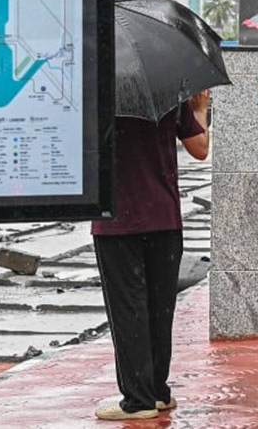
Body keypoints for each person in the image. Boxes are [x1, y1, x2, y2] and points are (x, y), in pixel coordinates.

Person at [91, 89, 212, 421]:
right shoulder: (168, 93)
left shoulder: (95, 95)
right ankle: (158, 392)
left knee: (129, 309)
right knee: (160, 309)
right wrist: (199, 110)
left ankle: (138, 400)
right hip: (164, 218)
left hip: (116, 220)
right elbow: (200, 149)